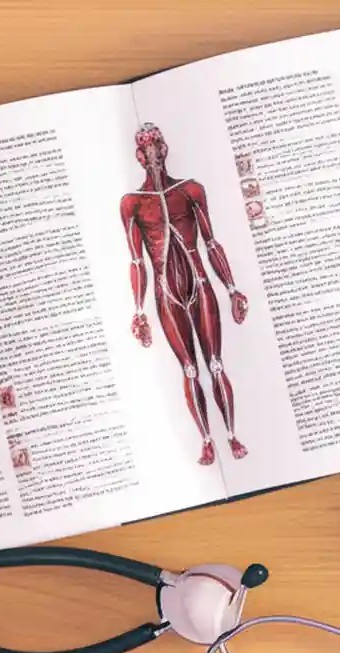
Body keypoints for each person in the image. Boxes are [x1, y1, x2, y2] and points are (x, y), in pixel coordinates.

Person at [120, 123, 249, 465]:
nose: (152, 154)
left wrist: (232, 288)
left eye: (156, 146)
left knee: (216, 364)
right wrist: (138, 311)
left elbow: (211, 242)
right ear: (139, 156)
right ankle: (208, 440)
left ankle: (232, 436)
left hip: (200, 285)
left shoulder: (190, 190)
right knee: (190, 369)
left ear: (164, 148)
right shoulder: (132, 203)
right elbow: (137, 261)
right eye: (146, 149)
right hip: (167, 295)